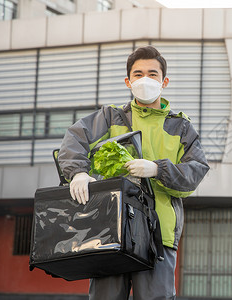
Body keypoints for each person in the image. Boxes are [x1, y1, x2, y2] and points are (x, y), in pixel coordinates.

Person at [58, 45, 210, 300]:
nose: (145, 80)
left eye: (152, 74)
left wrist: (157, 169)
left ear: (164, 81)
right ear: (128, 81)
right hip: (110, 227)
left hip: (157, 235)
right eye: (138, 74)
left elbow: (195, 173)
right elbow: (75, 138)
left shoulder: (181, 128)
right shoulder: (110, 118)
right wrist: (78, 173)